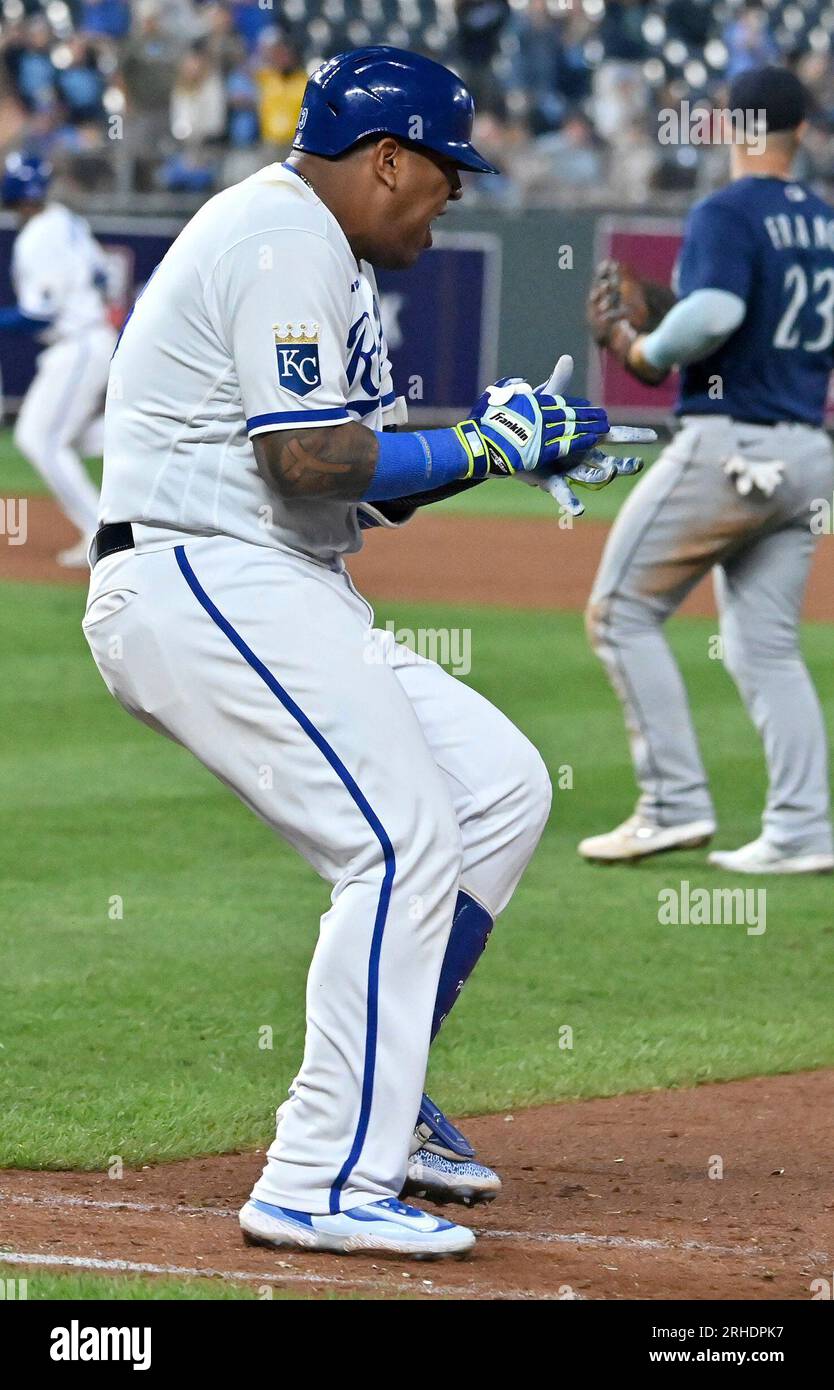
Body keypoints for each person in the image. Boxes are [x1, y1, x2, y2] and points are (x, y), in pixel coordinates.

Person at [83, 47, 638, 1259]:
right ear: (386, 159)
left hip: (274, 577)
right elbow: (305, 462)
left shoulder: (323, 252)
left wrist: (501, 443)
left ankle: (388, 1104)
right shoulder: (280, 234)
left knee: (498, 787)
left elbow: (363, 486)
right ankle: (318, 1177)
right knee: (397, 838)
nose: (454, 195)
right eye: (445, 171)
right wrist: (483, 447)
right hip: (197, 569)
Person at [582, 66, 834, 875]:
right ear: (801, 129)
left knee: (620, 611)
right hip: (807, 450)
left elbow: (719, 312)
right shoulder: (823, 219)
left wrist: (644, 349)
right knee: (767, 648)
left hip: (732, 447)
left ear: (728, 125)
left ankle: (672, 805)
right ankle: (802, 828)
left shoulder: (727, 209)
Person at [0, 153, 115, 566]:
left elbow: (40, 314)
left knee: (40, 439)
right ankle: (143, 435)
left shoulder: (37, 236)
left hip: (78, 344)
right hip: (90, 338)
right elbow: (103, 276)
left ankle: (102, 537)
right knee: (63, 437)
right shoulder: (65, 219)